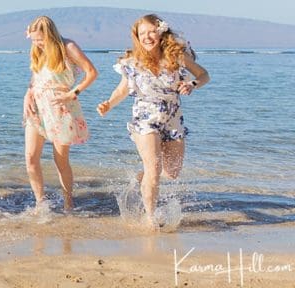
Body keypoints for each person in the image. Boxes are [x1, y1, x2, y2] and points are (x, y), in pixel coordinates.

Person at [97, 14, 210, 228]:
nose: (147, 37)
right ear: (137, 37)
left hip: (173, 117)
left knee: (171, 172)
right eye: (142, 34)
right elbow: (123, 89)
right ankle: (151, 218)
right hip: (145, 116)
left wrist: (193, 84)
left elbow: (204, 75)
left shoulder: (176, 55)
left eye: (151, 31)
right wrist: (109, 104)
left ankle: (142, 179)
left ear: (160, 32)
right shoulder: (131, 61)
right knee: (154, 170)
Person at [22, 16, 98, 212]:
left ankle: (68, 203)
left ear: (50, 35)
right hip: (37, 107)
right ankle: (41, 203)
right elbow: (36, 78)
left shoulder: (68, 47)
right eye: (34, 40)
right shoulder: (37, 51)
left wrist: (73, 93)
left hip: (59, 108)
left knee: (60, 160)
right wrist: (27, 95)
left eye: (40, 40)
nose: (37, 44)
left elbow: (91, 72)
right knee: (30, 159)